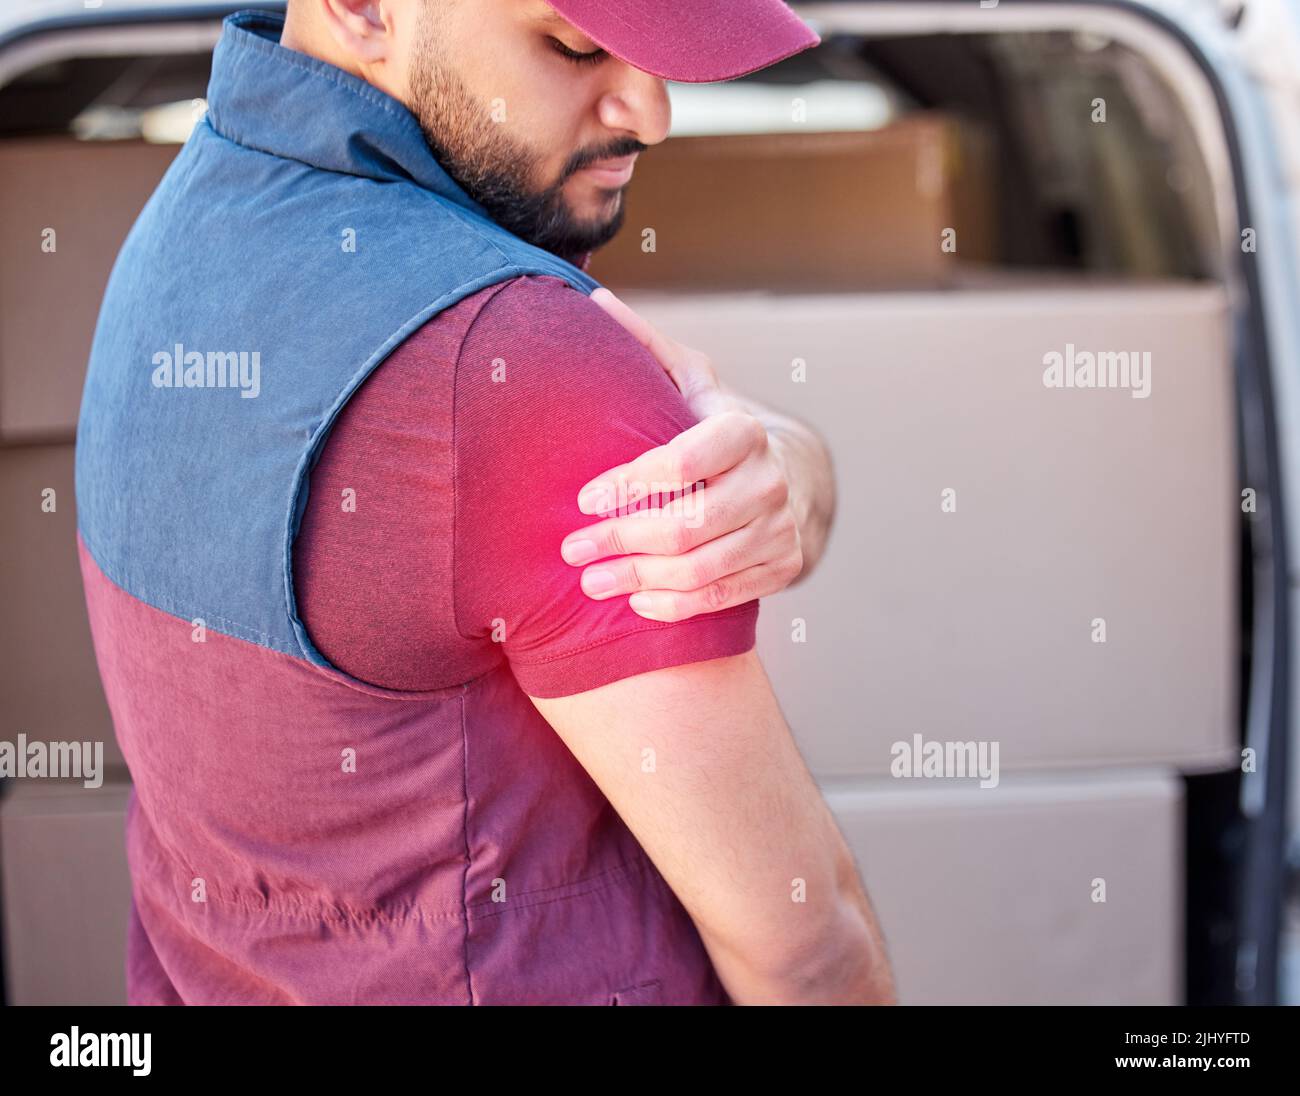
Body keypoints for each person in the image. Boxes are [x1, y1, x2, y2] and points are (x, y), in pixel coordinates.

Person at [74, 0, 895, 1005]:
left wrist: (792, 470)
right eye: (577, 46)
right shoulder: (514, 360)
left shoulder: (181, 231)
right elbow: (803, 947)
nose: (651, 111)